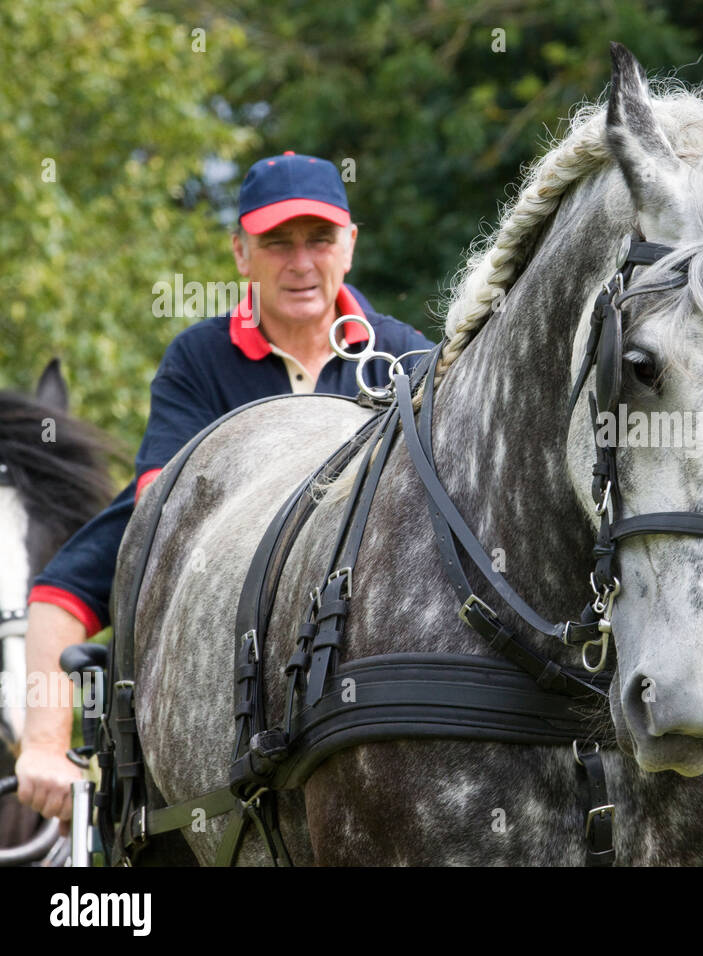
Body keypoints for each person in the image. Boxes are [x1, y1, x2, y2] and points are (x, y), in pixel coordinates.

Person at [16, 152, 430, 823]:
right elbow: (155, 527)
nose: (301, 263)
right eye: (277, 243)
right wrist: (43, 747)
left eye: (319, 239)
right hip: (218, 703)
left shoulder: (407, 354)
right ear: (241, 253)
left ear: (349, 246)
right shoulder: (198, 361)